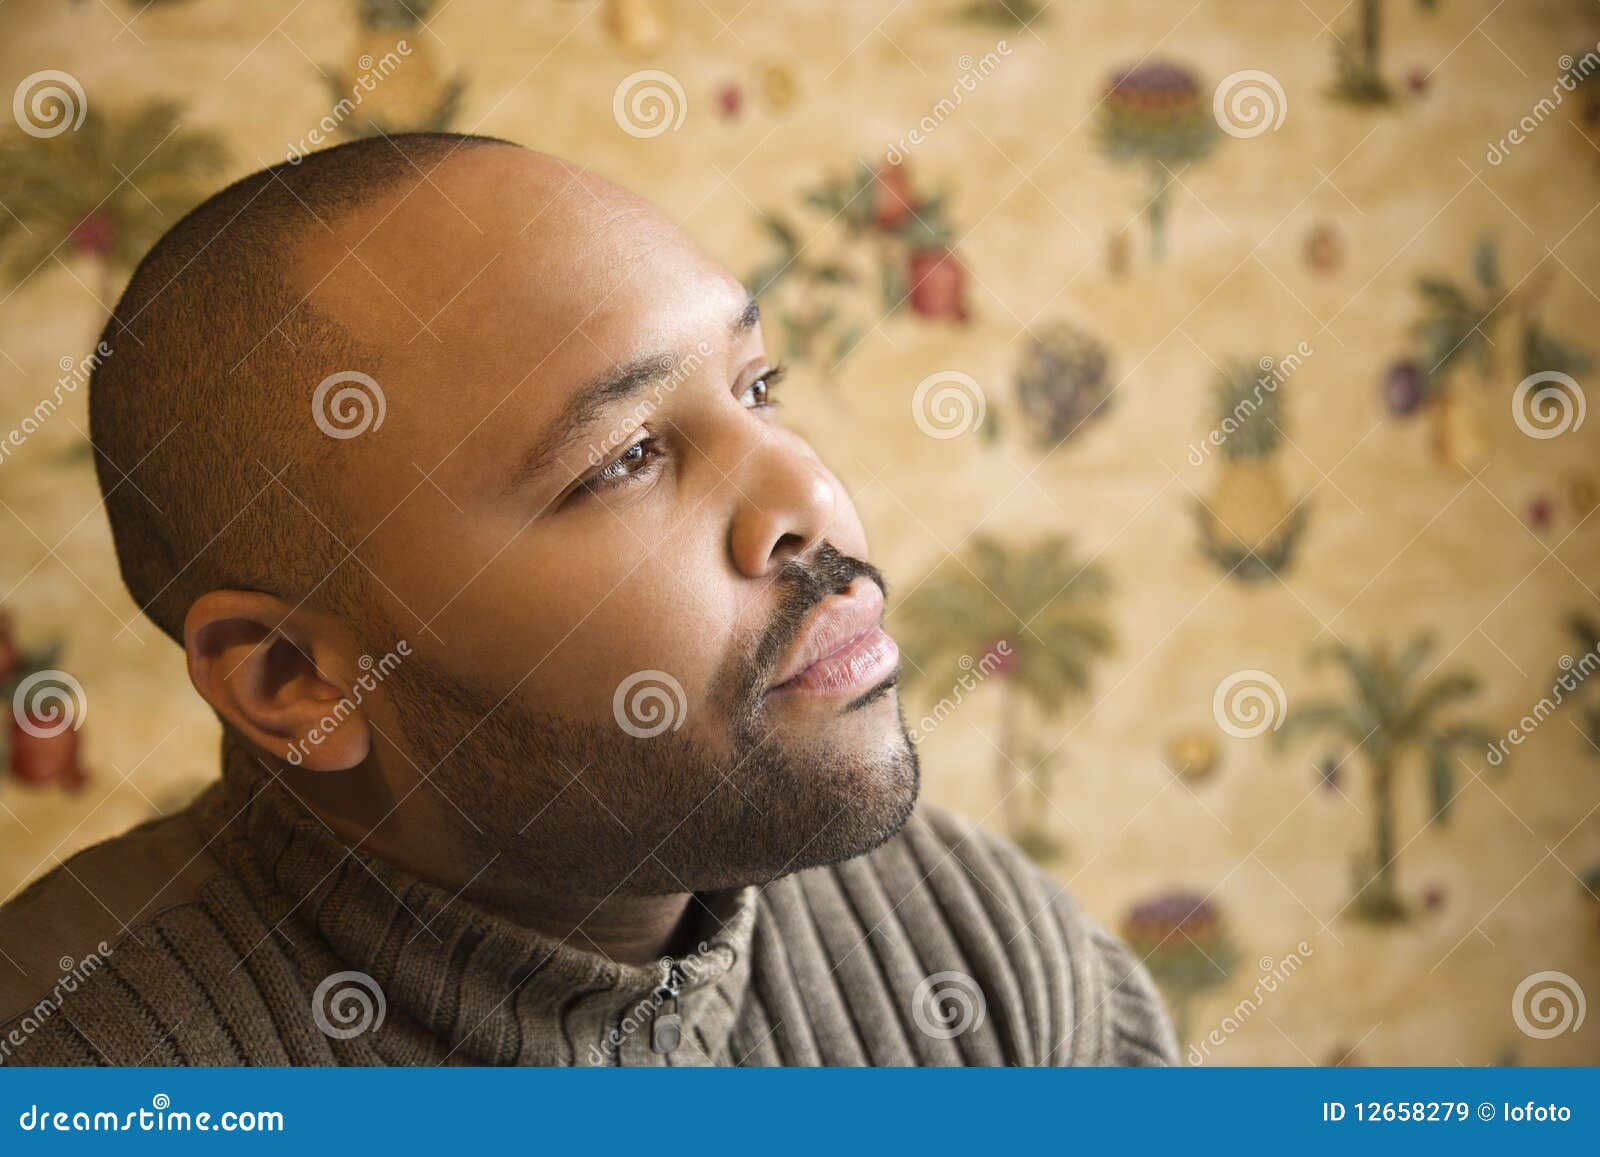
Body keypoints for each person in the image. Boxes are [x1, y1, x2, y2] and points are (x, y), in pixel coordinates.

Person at [0, 134, 1174, 1066]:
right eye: (621, 459)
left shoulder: (972, 941)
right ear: (293, 679)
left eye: (756, 385)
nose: (808, 494)